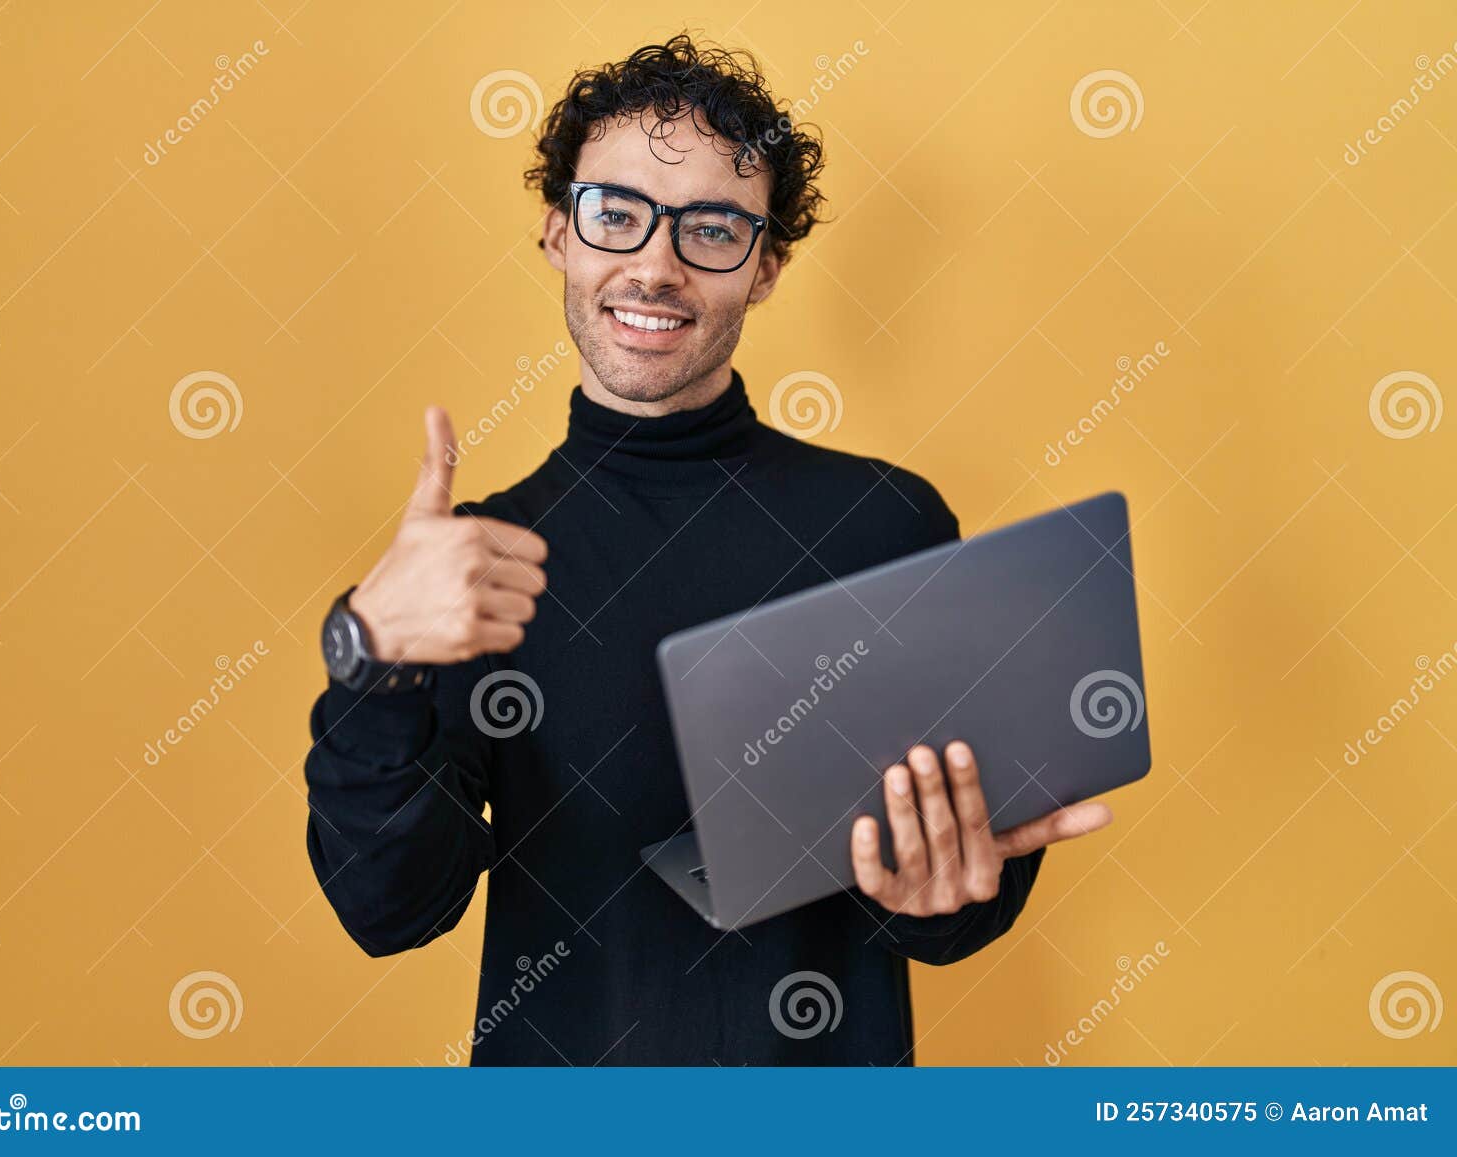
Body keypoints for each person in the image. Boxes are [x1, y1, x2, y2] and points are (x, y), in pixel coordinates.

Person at [304, 33, 1112, 1065]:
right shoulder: (471, 571)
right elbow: (391, 909)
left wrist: (939, 895)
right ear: (557, 232)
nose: (655, 263)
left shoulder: (886, 524)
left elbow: (940, 917)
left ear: (766, 266)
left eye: (714, 228)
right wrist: (371, 659)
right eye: (616, 213)